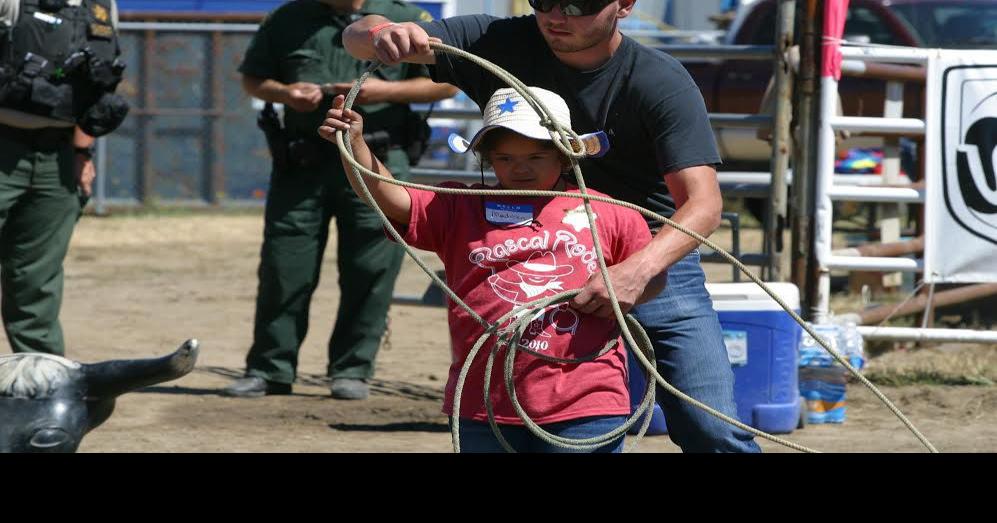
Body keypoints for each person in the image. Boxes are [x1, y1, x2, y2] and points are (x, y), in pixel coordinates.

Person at [342, 0, 761, 451]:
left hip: (644, 250)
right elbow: (356, 35)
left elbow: (703, 204)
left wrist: (635, 270)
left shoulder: (658, 81)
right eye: (543, 0)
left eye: (578, 4)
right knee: (530, 402)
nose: (557, 16)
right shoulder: (494, 41)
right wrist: (383, 31)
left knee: (710, 425)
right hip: (529, 245)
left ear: (623, 6)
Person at [319, 85, 663, 452]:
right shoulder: (459, 207)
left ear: (565, 156)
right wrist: (354, 144)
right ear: (487, 160)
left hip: (585, 401)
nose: (520, 168)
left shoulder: (610, 214)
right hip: (484, 400)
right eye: (504, 158)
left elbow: (652, 277)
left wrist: (623, 285)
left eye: (536, 156)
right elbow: (387, 195)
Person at [222, 0, 458, 400]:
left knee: (371, 266)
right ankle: (270, 367)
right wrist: (286, 93)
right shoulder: (287, 19)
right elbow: (253, 79)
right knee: (285, 265)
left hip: (377, 162)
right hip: (302, 164)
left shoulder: (407, 17)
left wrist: (385, 91)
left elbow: (446, 83)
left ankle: (352, 369)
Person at [0, 0, 129, 356]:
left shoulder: (101, 7)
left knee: (36, 279)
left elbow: (96, 86)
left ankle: (41, 378)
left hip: (57, 156)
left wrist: (81, 152)